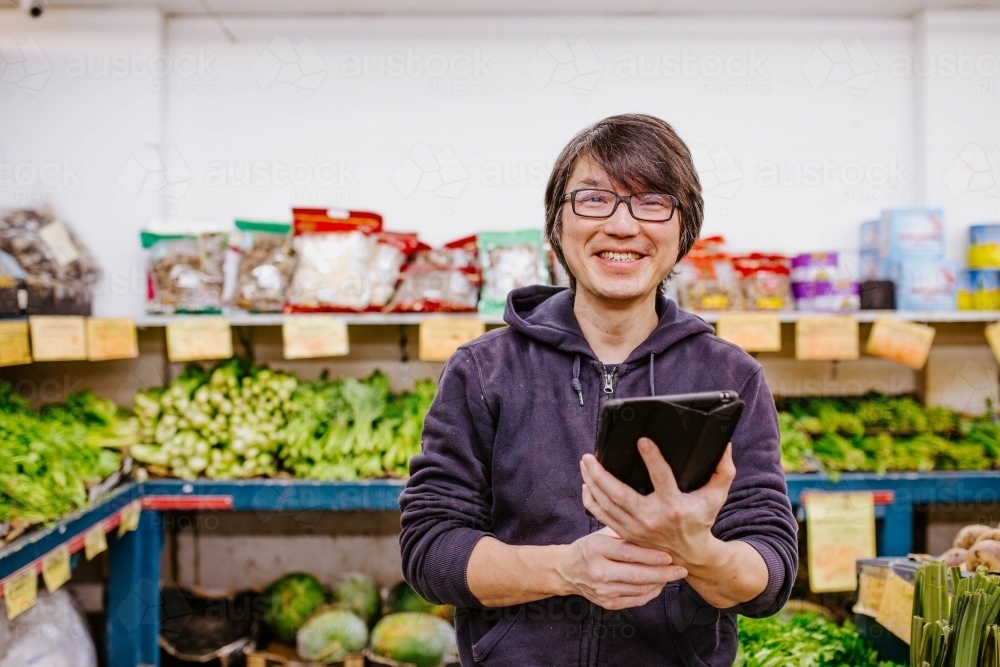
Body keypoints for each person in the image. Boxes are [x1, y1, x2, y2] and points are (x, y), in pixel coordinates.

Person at [399, 113, 798, 666]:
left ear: (683, 230)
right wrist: (566, 569)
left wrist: (694, 548)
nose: (623, 225)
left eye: (652, 202)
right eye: (593, 199)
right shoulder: (484, 370)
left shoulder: (729, 377)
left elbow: (769, 572)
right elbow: (430, 549)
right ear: (556, 223)